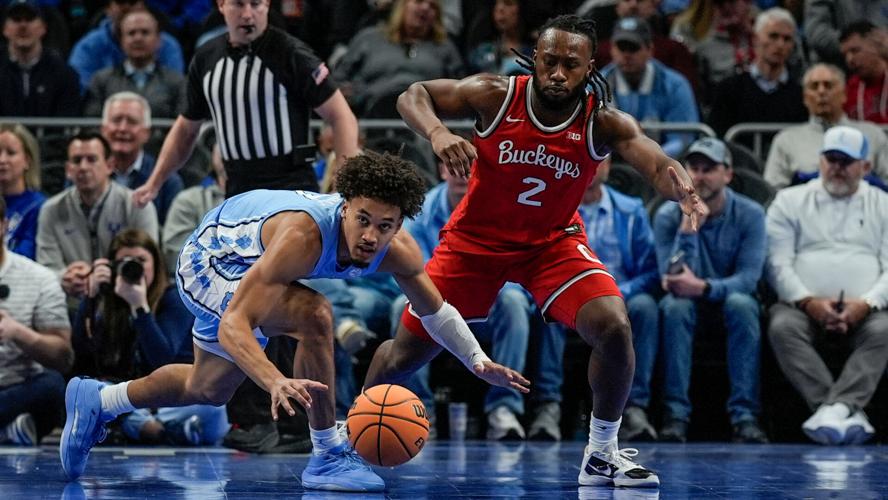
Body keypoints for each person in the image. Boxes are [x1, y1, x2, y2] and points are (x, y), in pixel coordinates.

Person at [364, 15, 707, 488]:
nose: (558, 74)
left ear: (590, 68)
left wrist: (682, 187)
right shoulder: (495, 93)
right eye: (550, 62)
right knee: (404, 355)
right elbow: (412, 95)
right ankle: (356, 438)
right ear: (535, 59)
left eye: (571, 64)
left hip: (552, 243)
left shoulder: (602, 121)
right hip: (476, 243)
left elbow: (653, 159)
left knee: (613, 325)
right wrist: (439, 133)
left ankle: (601, 453)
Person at [59, 151, 529, 492]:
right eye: (362, 219)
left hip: (249, 256)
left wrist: (476, 358)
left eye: (385, 225)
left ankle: (99, 398)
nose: (371, 236)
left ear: (399, 226)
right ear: (344, 205)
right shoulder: (303, 236)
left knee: (209, 388)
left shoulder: (398, 250)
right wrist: (274, 380)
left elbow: (436, 310)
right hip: (213, 258)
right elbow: (234, 325)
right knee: (315, 314)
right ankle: (325, 453)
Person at [132, 0, 360, 203]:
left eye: (255, 4)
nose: (248, 14)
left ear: (268, 5)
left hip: (292, 189)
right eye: (239, 4)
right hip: (237, 191)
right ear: (221, 5)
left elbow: (342, 117)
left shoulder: (292, 54)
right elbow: (185, 130)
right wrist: (155, 182)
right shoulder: (206, 58)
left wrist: (342, 190)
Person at [766, 125, 888, 445]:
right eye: (830, 159)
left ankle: (831, 411)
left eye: (846, 161)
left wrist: (867, 303)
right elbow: (778, 263)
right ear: (820, 161)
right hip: (802, 307)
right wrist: (809, 302)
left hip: (867, 308)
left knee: (885, 328)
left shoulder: (883, 203)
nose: (837, 168)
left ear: (866, 167)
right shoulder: (789, 200)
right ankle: (841, 409)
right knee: (781, 325)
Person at [653, 137, 768, 444]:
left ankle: (745, 416)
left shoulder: (751, 214)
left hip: (728, 300)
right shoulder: (667, 215)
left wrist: (705, 288)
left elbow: (749, 279)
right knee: (674, 307)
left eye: (710, 169)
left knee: (743, 305)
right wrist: (689, 227)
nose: (700, 176)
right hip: (686, 303)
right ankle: (675, 415)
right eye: (695, 168)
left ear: (728, 174)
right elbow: (672, 277)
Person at [71, 228, 229, 446]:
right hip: (127, 395)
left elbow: (164, 362)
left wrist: (140, 309)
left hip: (171, 398)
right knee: (85, 390)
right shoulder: (106, 302)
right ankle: (164, 431)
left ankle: (136, 427)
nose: (133, 267)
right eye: (124, 261)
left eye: (140, 260)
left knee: (213, 406)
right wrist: (90, 299)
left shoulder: (174, 297)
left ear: (155, 263)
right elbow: (82, 357)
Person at [577, 161, 661, 442]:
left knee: (646, 308)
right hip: (569, 296)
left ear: (609, 166)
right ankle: (547, 405)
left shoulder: (631, 209)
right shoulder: (552, 206)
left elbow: (651, 269)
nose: (591, 166)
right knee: (546, 310)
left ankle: (635, 406)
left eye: (598, 160)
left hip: (622, 296)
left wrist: (616, 296)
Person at [36, 132, 159, 300]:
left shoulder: (137, 206)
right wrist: (64, 277)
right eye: (77, 160)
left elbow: (150, 264)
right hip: (70, 301)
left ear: (110, 165)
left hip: (124, 298)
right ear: (68, 170)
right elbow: (46, 268)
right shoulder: (51, 209)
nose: (83, 167)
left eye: (92, 159)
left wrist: (104, 275)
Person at [0, 196, 73, 446]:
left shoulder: (39, 278)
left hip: (19, 388)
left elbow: (64, 358)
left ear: (4, 225)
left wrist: (19, 332)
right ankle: (8, 431)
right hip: (15, 412)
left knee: (52, 386)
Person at [764, 63, 888, 190]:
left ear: (844, 94)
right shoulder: (786, 140)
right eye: (814, 86)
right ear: (805, 98)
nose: (821, 91)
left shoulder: (873, 135)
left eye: (828, 85)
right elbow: (772, 190)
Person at [331, 0, 465, 117]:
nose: (425, 8)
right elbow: (338, 80)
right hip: (368, 119)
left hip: (428, 123)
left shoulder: (445, 46)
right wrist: (355, 94)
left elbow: (460, 88)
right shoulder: (368, 38)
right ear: (402, 6)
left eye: (433, 6)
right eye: (419, 1)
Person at [600, 16, 700, 159]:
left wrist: (649, 160)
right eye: (621, 48)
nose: (627, 55)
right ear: (612, 50)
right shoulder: (597, 86)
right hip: (611, 165)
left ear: (650, 50)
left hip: (662, 164)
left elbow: (682, 139)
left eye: (633, 48)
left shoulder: (675, 85)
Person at [707, 7, 807, 142]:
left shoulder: (801, 96)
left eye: (787, 39)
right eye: (773, 36)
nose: (780, 44)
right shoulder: (729, 90)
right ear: (755, 39)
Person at [84, 9, 187, 120]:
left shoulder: (177, 82)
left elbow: (182, 125)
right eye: (131, 33)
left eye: (145, 32)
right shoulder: (101, 80)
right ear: (121, 41)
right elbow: (92, 124)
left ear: (158, 40)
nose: (138, 38)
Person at [100, 92, 184, 225]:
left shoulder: (167, 180)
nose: (122, 128)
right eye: (116, 120)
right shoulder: (86, 174)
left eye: (132, 122)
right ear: (103, 130)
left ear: (146, 133)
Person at [67, 0, 184, 92]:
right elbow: (85, 92)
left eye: (133, 1)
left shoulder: (168, 45)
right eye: (121, 1)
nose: (127, 7)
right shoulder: (88, 47)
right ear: (108, 8)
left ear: (143, 5)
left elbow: (176, 88)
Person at [0, 0, 81, 117]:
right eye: (16, 19)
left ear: (43, 27)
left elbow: (66, 124)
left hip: (50, 136)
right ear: (4, 29)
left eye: (30, 19)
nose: (23, 26)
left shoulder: (64, 74)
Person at [0, 123, 46, 260]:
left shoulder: (39, 207)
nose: (2, 160)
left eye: (11, 153)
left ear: (27, 160)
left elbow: (26, 256)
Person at [839, 21, 888, 124]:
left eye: (855, 51)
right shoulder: (849, 89)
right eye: (845, 55)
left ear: (875, 46)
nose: (849, 59)